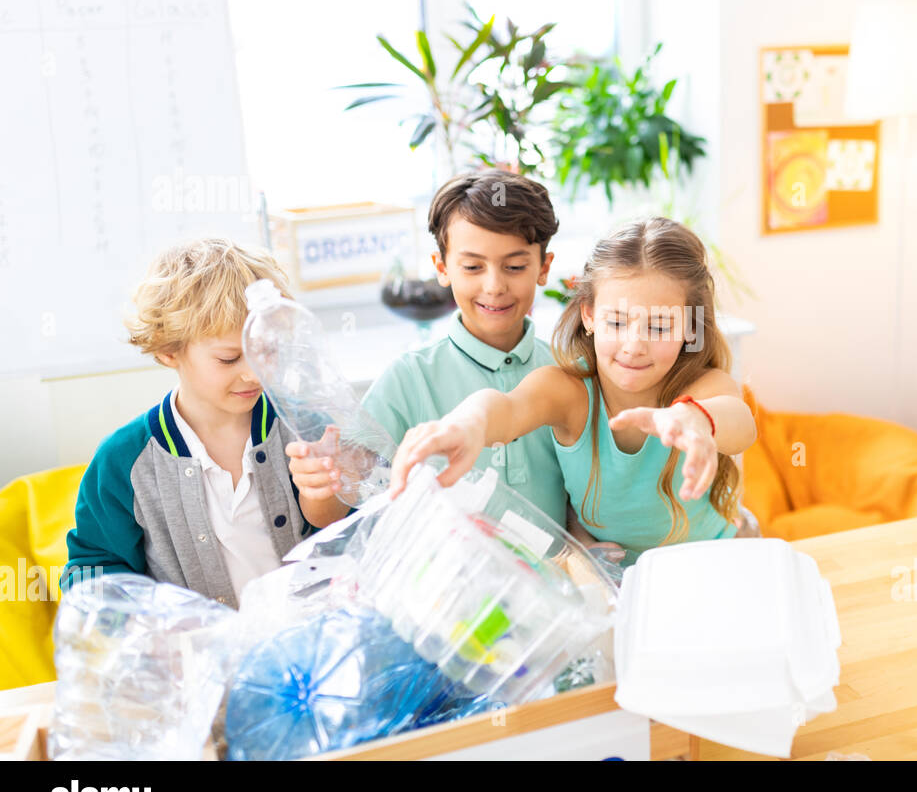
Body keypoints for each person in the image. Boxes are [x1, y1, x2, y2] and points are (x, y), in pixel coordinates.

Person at [388, 217, 757, 565]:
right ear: (589, 315)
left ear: (691, 326)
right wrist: (468, 425)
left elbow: (739, 422)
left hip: (714, 562)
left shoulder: (700, 385)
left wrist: (695, 418)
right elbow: (507, 408)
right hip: (616, 582)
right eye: (616, 321)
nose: (634, 345)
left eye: (659, 327)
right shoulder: (568, 391)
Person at [286, 169, 570, 531]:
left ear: (544, 268)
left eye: (514, 266)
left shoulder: (567, 371)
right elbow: (327, 514)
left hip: (557, 582)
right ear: (442, 268)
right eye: (472, 267)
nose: (494, 285)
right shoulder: (409, 378)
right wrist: (320, 484)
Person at [61, 239, 309, 607]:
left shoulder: (302, 427)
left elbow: (349, 532)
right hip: (197, 658)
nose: (254, 373)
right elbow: (92, 570)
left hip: (306, 645)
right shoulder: (123, 461)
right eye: (229, 359)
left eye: (266, 349)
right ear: (168, 349)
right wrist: (141, 624)